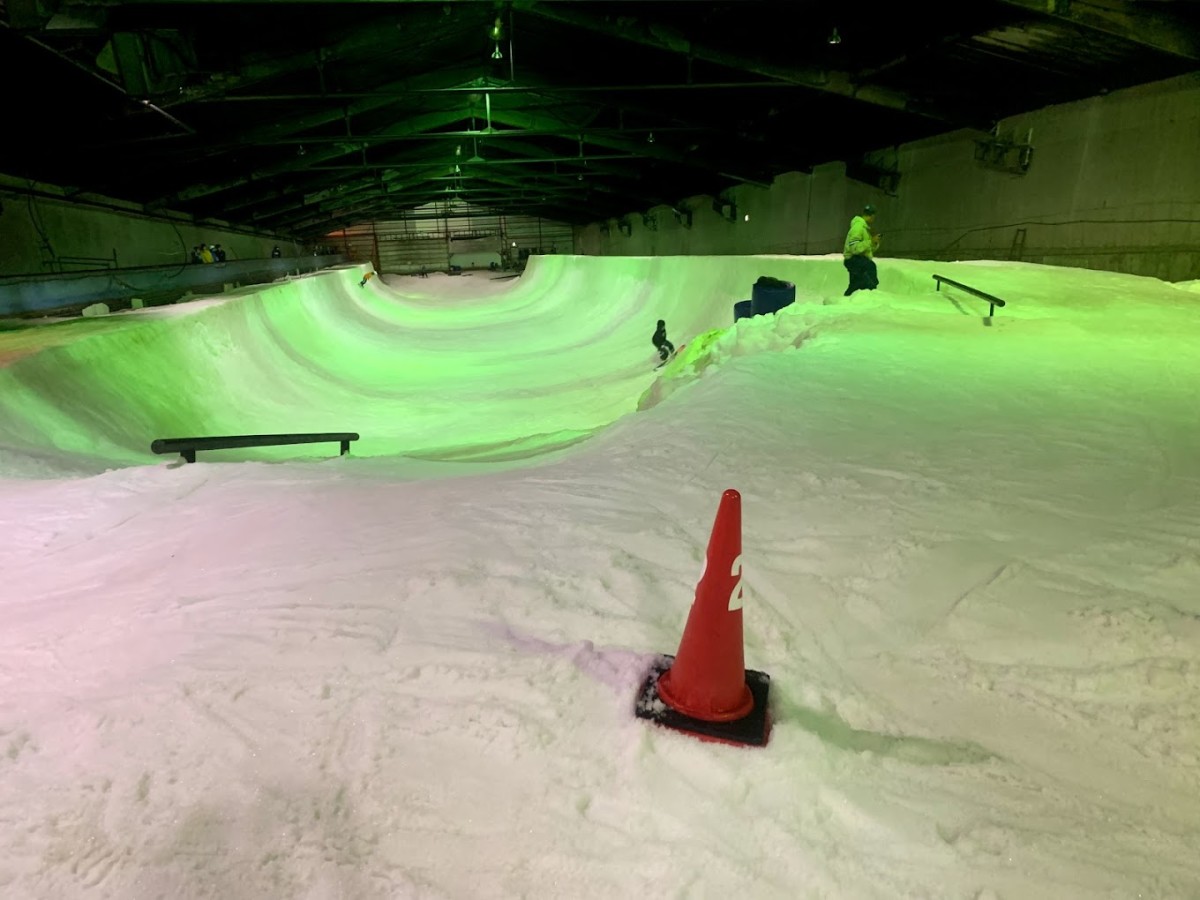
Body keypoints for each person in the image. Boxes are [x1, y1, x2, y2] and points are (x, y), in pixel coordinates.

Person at [842, 203, 880, 296]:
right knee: (867, 281)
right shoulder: (858, 227)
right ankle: (870, 295)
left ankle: (847, 299)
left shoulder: (863, 228)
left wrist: (873, 243)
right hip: (854, 260)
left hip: (857, 260)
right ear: (872, 216)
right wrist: (870, 241)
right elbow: (854, 248)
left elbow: (864, 248)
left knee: (856, 285)